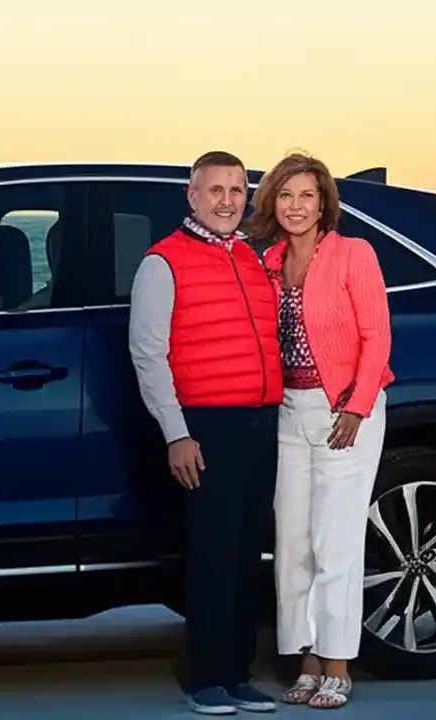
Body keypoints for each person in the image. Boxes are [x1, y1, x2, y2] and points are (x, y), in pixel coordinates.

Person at [129, 150, 284, 715]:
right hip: (205, 426)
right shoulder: (163, 262)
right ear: (192, 196)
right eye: (215, 190)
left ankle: (239, 673)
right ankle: (207, 680)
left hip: (260, 423)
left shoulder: (250, 258)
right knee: (213, 554)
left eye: (237, 190)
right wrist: (177, 433)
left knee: (247, 554)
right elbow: (148, 354)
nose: (226, 201)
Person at [251, 152, 393, 710]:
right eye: (285, 195)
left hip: (345, 412)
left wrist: (356, 407)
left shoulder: (355, 255)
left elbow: (376, 336)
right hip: (288, 411)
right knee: (293, 545)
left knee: (336, 541)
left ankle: (338, 664)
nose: (295, 206)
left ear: (324, 203)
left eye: (306, 195)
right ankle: (306, 659)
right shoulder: (268, 262)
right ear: (273, 203)